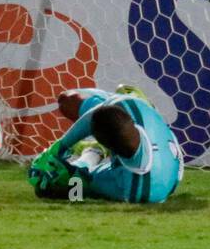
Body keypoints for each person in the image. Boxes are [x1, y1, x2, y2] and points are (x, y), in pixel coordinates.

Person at [27, 84, 184, 203]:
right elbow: (93, 116)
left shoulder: (130, 189)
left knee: (56, 186)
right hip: (158, 137)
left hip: (160, 179)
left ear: (108, 147)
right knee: (67, 100)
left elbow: (81, 185)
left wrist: (62, 182)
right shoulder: (131, 106)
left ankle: (93, 150)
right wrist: (60, 146)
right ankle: (95, 148)